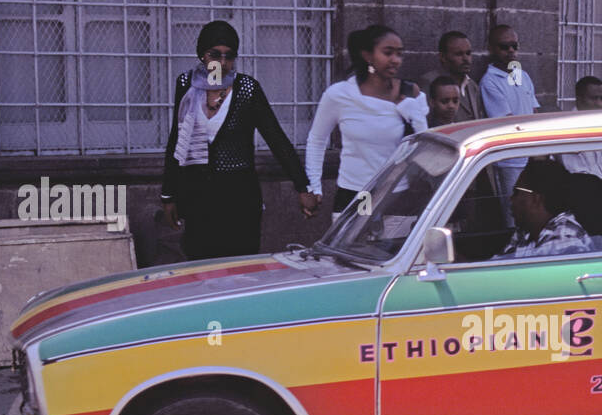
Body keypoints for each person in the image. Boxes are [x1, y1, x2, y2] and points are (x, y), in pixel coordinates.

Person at [160, 20, 312, 260]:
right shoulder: (185, 85)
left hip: (239, 200)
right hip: (198, 197)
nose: (222, 63)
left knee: (239, 271)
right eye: (215, 54)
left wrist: (302, 186)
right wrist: (168, 195)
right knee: (201, 270)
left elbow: (276, 138)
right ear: (202, 54)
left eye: (229, 56)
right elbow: (177, 139)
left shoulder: (247, 90)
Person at [304, 24, 428, 214]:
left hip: (397, 195)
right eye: (388, 53)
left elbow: (424, 143)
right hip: (357, 194)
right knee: (353, 244)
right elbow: (317, 140)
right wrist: (313, 187)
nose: (395, 60)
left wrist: (410, 111)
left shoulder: (409, 92)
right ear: (368, 55)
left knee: (396, 244)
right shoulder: (340, 95)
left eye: (399, 54)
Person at [480, 24, 539, 225]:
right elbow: (508, 121)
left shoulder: (523, 76)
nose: (511, 51)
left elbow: (534, 113)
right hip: (509, 161)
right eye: (504, 47)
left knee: (534, 213)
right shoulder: (490, 82)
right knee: (513, 216)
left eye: (514, 46)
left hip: (530, 158)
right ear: (492, 49)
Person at [496, 159, 593, 258]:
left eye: (516, 192)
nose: (512, 199)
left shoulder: (563, 239)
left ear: (535, 199)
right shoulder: (526, 232)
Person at [559, 76, 602, 199]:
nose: (600, 104)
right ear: (579, 99)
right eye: (594, 99)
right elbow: (580, 178)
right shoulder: (568, 130)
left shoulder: (601, 125)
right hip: (587, 197)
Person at [422, 31, 486, 123]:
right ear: (443, 57)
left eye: (468, 53)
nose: (466, 59)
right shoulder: (429, 82)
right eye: (459, 54)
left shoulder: (472, 86)